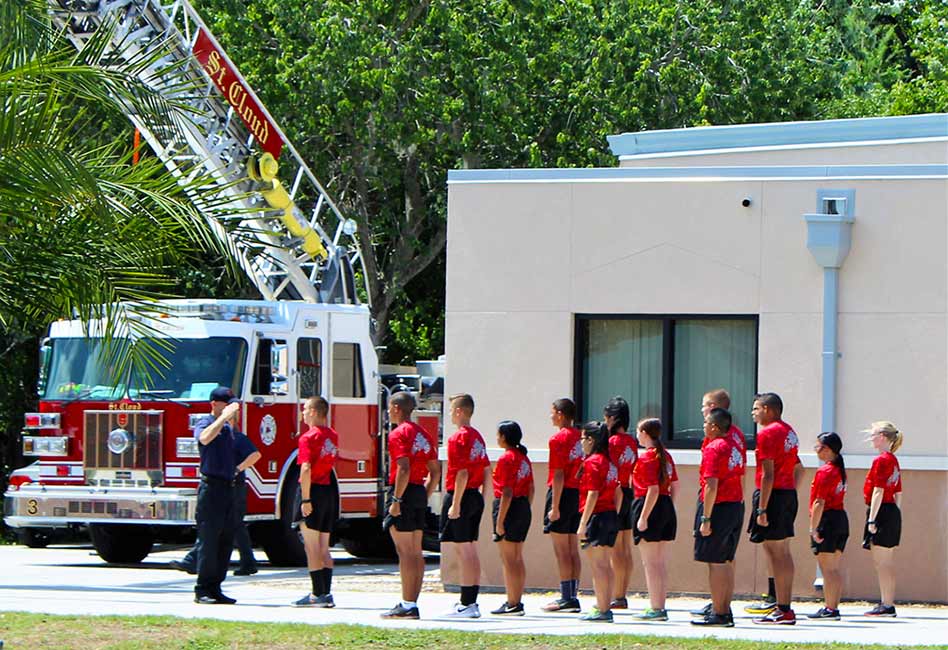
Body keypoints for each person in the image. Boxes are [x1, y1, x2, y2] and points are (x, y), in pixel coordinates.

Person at [692, 388, 755, 619]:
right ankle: (722, 606)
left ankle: (719, 611)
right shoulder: (734, 436)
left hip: (719, 504)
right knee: (726, 559)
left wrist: (706, 517)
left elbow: (711, 483)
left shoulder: (716, 444)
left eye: (705, 406)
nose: (702, 411)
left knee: (716, 561)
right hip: (734, 502)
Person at [381, 391, 440, 619]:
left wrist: (396, 500)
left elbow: (403, 468)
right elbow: (435, 471)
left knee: (404, 552)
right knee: (416, 551)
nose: (388, 412)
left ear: (396, 408)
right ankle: (411, 602)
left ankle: (407, 604)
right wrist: (424, 495)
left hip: (403, 492)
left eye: (389, 407)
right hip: (418, 492)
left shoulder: (398, 434)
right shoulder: (423, 434)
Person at [170, 427, 261, 577]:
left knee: (228, 525)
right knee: (229, 525)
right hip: (225, 485)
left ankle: (193, 560)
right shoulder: (218, 439)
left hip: (235, 486)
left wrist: (237, 469)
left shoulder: (237, 437)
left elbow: (255, 455)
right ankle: (248, 562)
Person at [747, 392, 800, 625]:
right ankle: (782, 605)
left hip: (773, 496)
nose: (753, 413)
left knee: (777, 553)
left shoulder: (768, 433)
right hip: (787, 493)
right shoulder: (789, 431)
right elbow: (799, 468)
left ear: (768, 409)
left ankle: (783, 608)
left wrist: (762, 509)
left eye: (756, 408)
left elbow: (767, 474)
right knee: (782, 551)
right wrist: (789, 492)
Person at [440, 393, 491, 618]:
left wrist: (456, 503)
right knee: (470, 548)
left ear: (460, 411)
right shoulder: (477, 437)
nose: (450, 414)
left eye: (452, 409)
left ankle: (467, 603)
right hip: (474, 495)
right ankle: (470, 600)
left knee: (464, 550)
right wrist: (483, 497)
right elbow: (487, 470)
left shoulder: (458, 438)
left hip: (461, 495)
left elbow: (461, 473)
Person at [193, 386, 242, 604]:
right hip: (211, 488)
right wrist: (222, 419)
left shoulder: (229, 429)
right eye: (228, 404)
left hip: (228, 487)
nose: (233, 408)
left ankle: (216, 587)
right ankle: (202, 589)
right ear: (214, 404)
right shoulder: (205, 422)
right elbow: (204, 438)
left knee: (225, 540)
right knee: (209, 540)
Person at [293, 396, 340, 608]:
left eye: (305, 409)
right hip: (328, 491)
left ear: (313, 411)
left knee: (311, 547)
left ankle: (316, 593)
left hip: (312, 490)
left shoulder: (307, 437)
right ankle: (326, 592)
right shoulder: (332, 435)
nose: (302, 413)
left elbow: (306, 468)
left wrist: (305, 499)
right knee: (323, 546)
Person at [630, 418, 678, 621]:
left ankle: (656, 607)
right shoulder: (665, 455)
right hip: (665, 505)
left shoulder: (647, 457)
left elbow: (652, 489)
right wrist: (669, 507)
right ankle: (660, 606)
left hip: (649, 506)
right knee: (659, 562)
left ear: (645, 433)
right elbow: (674, 485)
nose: (637, 435)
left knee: (650, 563)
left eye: (638, 431)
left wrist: (643, 517)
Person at [541, 398, 584, 613]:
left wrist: (555, 506)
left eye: (552, 412)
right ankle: (573, 595)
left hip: (563, 493)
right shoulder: (580, 437)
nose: (550, 416)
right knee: (572, 549)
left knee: (562, 551)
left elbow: (558, 474)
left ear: (560, 414)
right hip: (578, 493)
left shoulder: (558, 439)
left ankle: (566, 597)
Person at [577, 422, 621, 623]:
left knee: (598, 566)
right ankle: (604, 605)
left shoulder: (593, 462)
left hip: (597, 516)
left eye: (583, 438)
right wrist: (614, 513)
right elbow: (619, 493)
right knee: (605, 565)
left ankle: (603, 609)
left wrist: (583, 523)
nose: (581, 443)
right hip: (610, 515)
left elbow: (592, 493)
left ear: (591, 440)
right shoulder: (609, 462)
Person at [490, 420, 534, 616]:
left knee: (508, 559)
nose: (497, 438)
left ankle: (512, 602)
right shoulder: (524, 458)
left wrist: (500, 522)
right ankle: (517, 601)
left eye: (498, 434)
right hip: (522, 506)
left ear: (504, 437)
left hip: (508, 508)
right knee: (517, 557)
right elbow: (531, 488)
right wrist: (524, 509)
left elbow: (506, 492)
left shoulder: (506, 458)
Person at [862, 421, 903, 617]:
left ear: (883, 437)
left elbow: (878, 491)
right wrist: (895, 513)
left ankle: (887, 604)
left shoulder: (881, 460)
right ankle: (886, 602)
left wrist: (872, 519)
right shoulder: (893, 460)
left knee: (882, 562)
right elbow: (898, 492)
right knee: (886, 561)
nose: (871, 438)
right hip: (891, 510)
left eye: (874, 435)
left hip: (882, 511)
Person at [806, 432, 849, 621]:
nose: (816, 450)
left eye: (819, 447)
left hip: (828, 520)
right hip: (840, 519)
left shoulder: (826, 471)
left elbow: (819, 502)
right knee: (833, 568)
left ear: (828, 449)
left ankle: (831, 608)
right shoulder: (839, 470)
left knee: (828, 569)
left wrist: (813, 528)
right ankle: (832, 607)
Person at [604, 397, 636, 610]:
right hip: (628, 491)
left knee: (616, 548)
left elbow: (610, 469)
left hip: (615, 493)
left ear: (613, 418)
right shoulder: (631, 441)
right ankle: (622, 594)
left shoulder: (612, 442)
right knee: (625, 547)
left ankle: (616, 594)